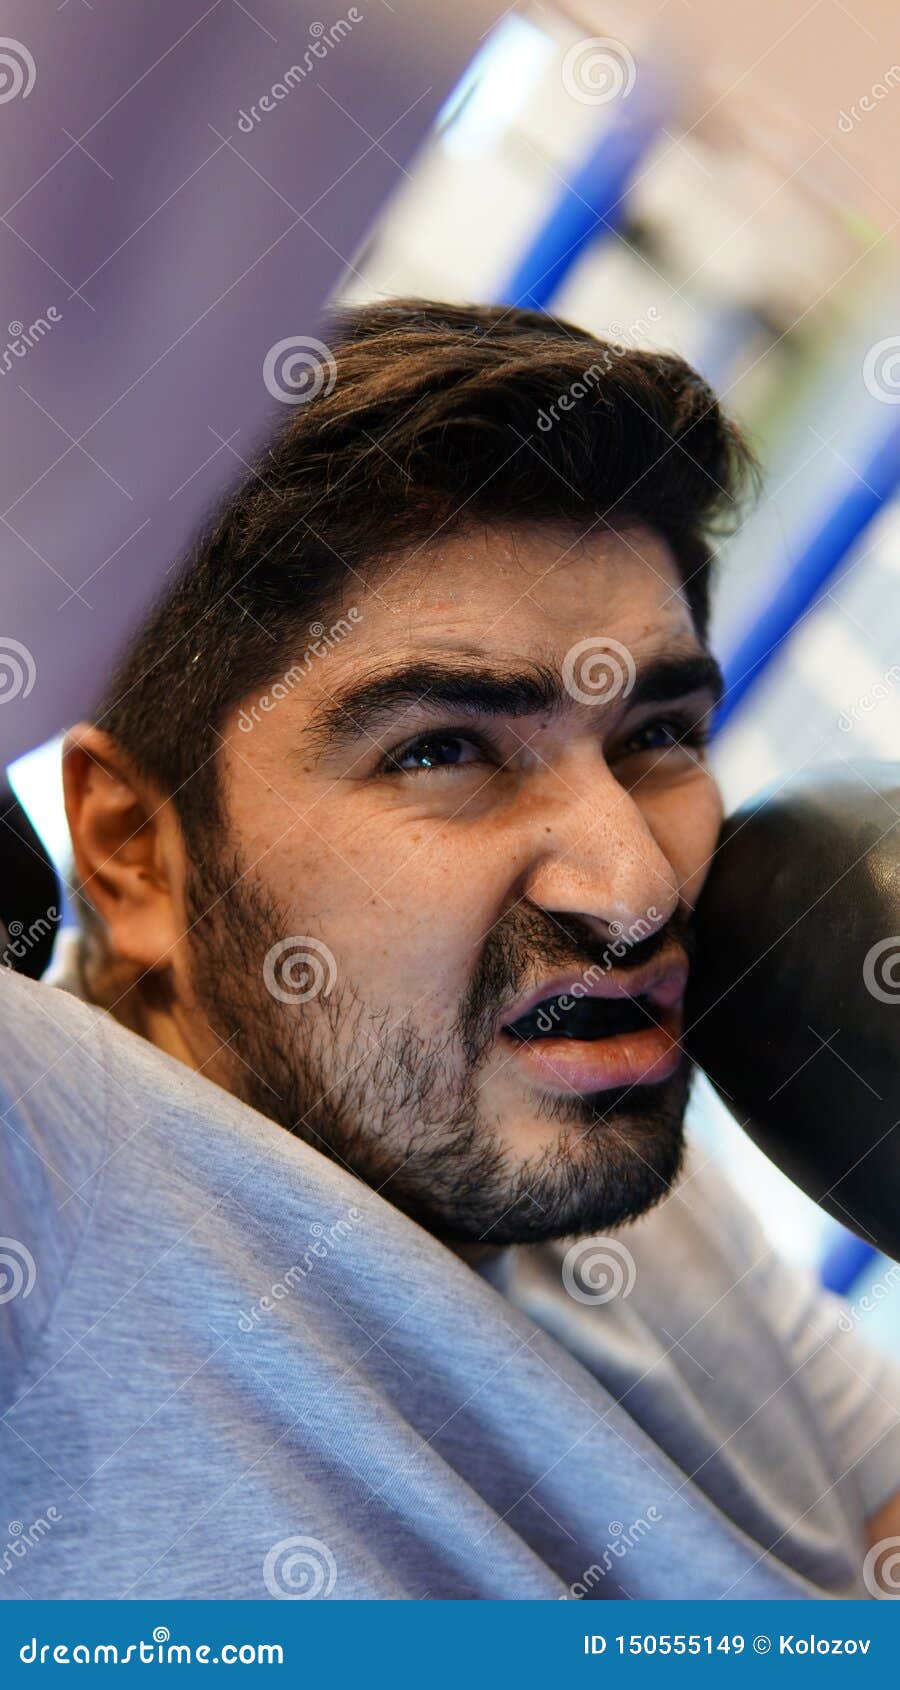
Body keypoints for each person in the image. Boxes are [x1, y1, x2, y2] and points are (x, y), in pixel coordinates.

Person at [1, 300, 897, 1601]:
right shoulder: (51, 1170)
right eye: (444, 749)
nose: (636, 890)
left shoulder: (582, 1136)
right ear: (134, 850)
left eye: (656, 735)